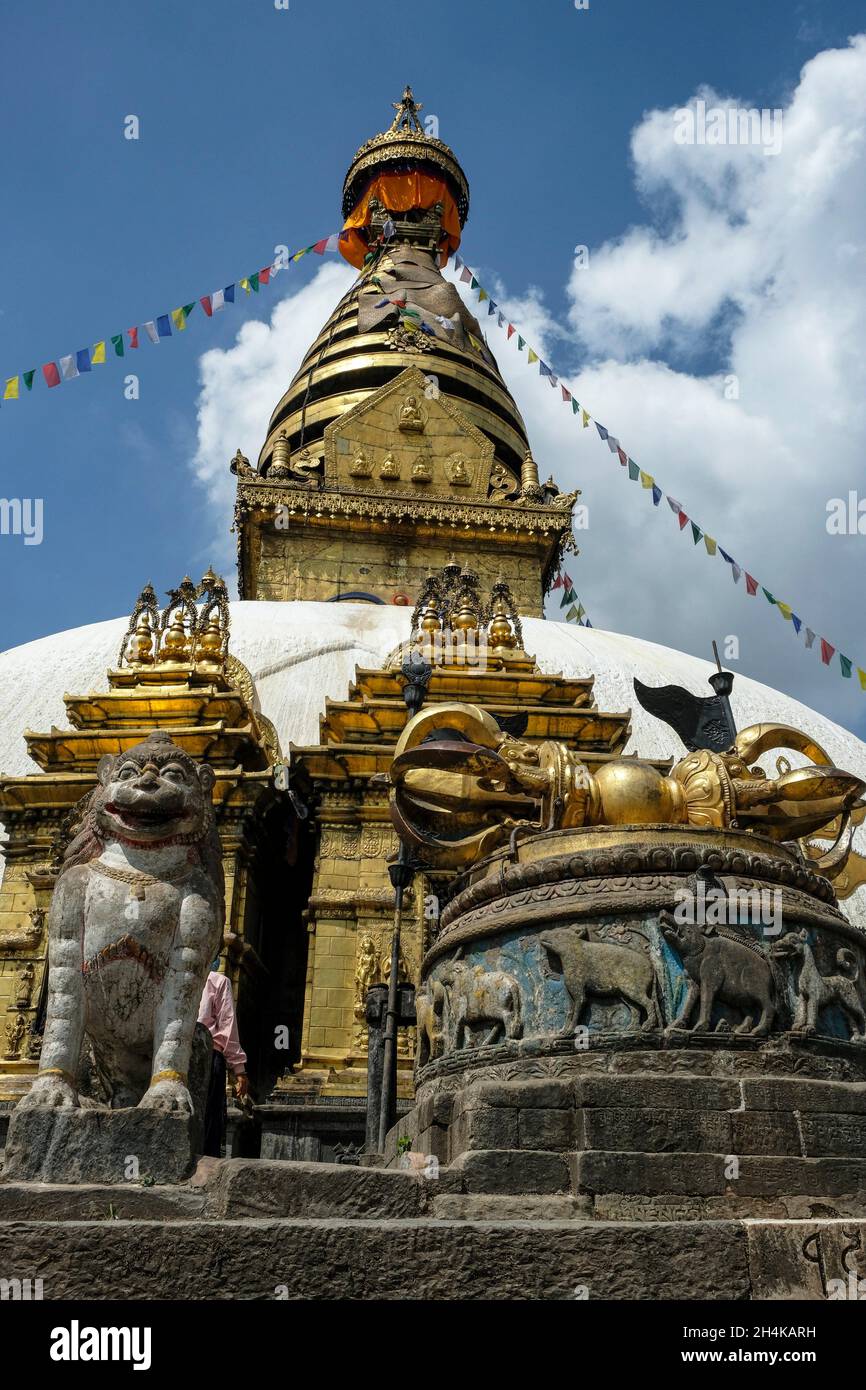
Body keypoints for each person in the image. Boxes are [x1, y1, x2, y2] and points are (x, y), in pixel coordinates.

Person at [198, 958, 249, 1157]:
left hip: (180, 1056)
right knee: (210, 1118)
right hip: (210, 1056)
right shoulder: (218, 981)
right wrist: (239, 1070)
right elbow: (228, 1026)